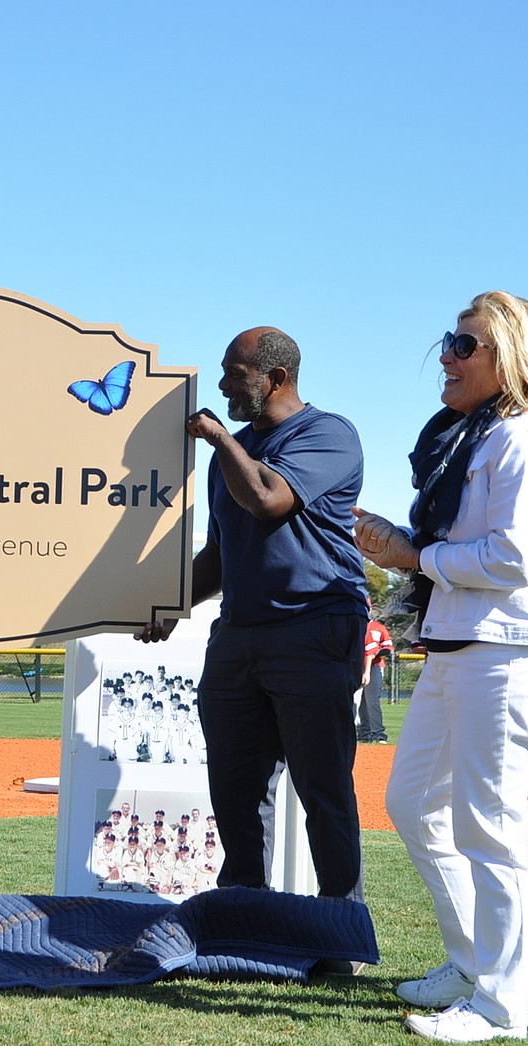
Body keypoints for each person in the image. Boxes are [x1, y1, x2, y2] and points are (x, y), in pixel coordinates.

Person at [355, 291, 528, 1043]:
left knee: (491, 827)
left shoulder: (523, 440)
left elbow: (511, 560)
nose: (446, 356)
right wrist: (399, 543)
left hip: (510, 654)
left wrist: (413, 554)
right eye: (449, 340)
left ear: (510, 359)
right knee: (413, 804)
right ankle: (471, 963)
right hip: (459, 648)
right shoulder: (471, 438)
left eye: (466, 345)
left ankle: (501, 1007)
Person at [137, 327, 368, 902]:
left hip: (314, 628)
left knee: (323, 790)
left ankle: (341, 928)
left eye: (235, 374)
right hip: (239, 636)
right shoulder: (232, 455)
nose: (221, 384)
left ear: (277, 379)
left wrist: (219, 441)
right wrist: (172, 603)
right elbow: (219, 554)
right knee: (235, 791)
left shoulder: (327, 434)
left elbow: (268, 499)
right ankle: (245, 917)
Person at [356, 609, 393, 744]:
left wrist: (379, 653)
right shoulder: (355, 624)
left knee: (372, 701)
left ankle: (378, 733)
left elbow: (388, 647)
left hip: (374, 666)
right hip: (356, 666)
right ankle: (364, 733)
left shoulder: (379, 627)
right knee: (359, 703)